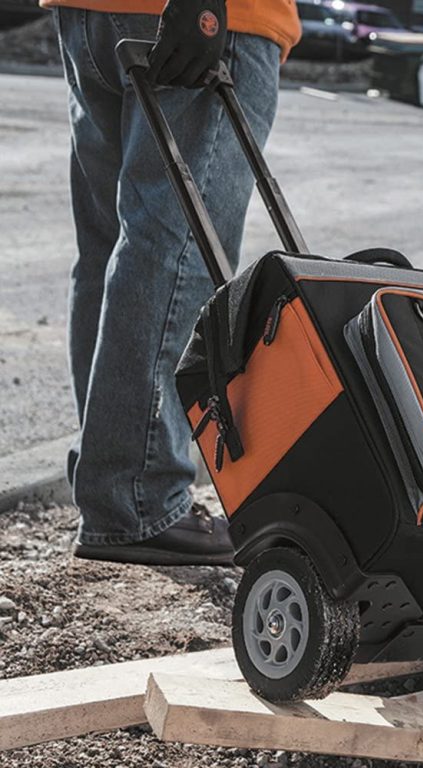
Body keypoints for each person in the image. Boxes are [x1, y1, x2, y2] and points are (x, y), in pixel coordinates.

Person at [45, 0, 300, 565]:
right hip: (203, 16)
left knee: (113, 252)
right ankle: (137, 499)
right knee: (171, 249)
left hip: (89, 15)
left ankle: (113, 488)